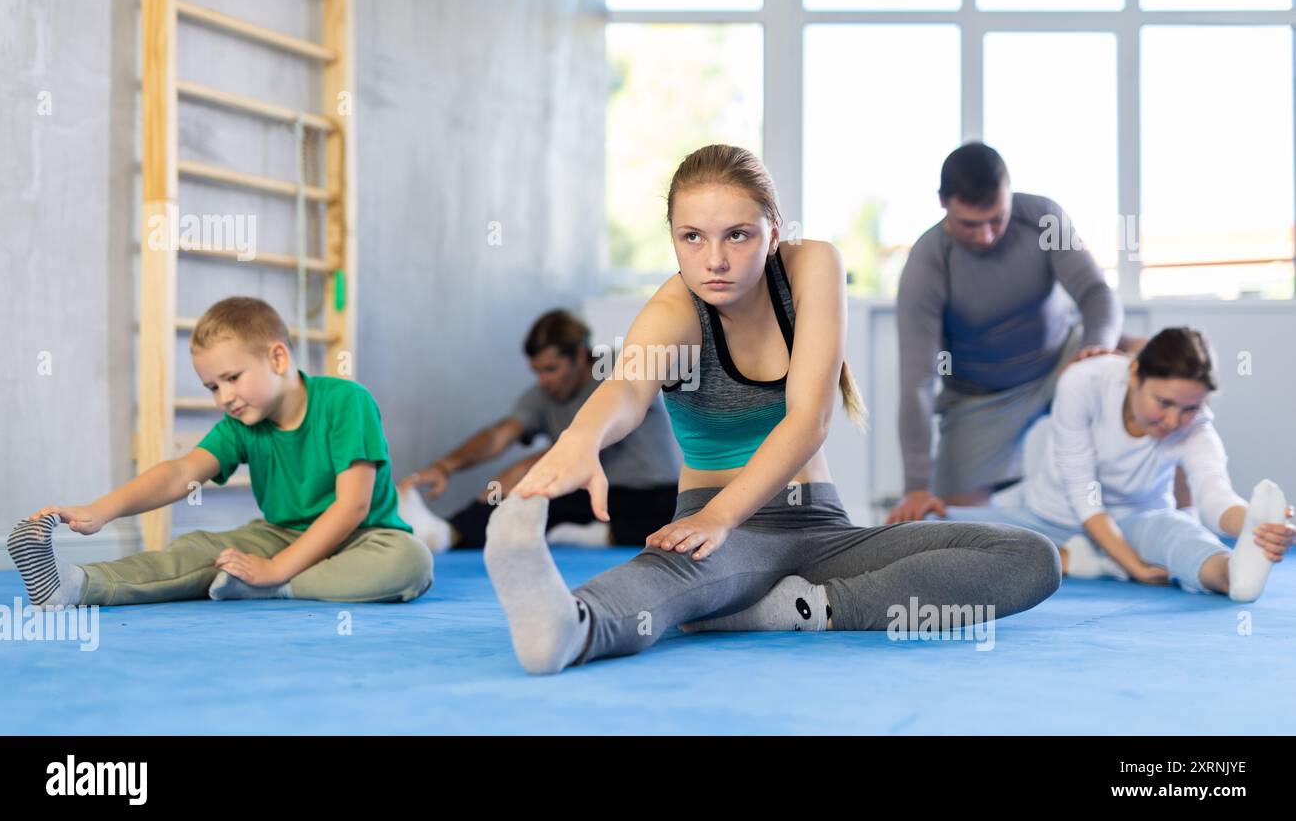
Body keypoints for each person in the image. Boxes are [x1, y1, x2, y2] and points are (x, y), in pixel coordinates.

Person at [481, 144, 1061, 675]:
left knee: (1027, 555)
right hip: (724, 527)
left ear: (774, 231)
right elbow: (627, 390)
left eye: (737, 235)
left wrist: (722, 518)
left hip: (821, 528)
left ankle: (798, 609)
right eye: (692, 238)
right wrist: (582, 439)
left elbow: (808, 421)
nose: (715, 260)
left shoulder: (813, 267)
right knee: (669, 580)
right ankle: (572, 626)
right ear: (674, 240)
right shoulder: (675, 310)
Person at [5, 297, 433, 606]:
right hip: (281, 533)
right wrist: (101, 511)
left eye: (232, 377)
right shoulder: (240, 424)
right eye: (212, 387)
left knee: (411, 562)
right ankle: (77, 585)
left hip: (363, 539)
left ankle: (270, 587)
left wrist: (277, 570)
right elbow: (179, 473)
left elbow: (353, 506)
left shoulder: (346, 401)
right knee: (197, 550)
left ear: (278, 358)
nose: (224, 397)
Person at [942, 327, 1294, 601]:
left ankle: (1233, 576)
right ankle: (1080, 559)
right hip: (1051, 518)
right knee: (940, 529)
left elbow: (1215, 495)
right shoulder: (1084, 381)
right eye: (1164, 403)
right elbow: (1084, 495)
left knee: (1185, 539)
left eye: (1190, 408)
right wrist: (1133, 567)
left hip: (1139, 521)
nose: (1174, 421)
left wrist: (1255, 525)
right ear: (1134, 373)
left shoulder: (1197, 428)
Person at [889, 142, 1124, 523]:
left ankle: (1178, 518)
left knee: (1149, 363)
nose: (985, 235)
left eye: (996, 219)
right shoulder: (927, 262)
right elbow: (917, 382)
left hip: (1061, 360)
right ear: (943, 203)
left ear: (1009, 194)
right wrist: (916, 486)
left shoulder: (1042, 217)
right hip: (979, 396)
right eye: (970, 224)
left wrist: (1097, 349)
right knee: (957, 518)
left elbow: (1097, 294)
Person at [397, 310, 679, 549]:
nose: (543, 380)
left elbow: (598, 434)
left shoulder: (616, 367)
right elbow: (499, 436)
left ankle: (600, 533)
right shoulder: (544, 395)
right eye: (537, 372)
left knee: (674, 518)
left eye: (551, 369)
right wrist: (445, 466)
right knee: (527, 503)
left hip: (650, 495)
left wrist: (524, 470)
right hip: (585, 498)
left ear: (580, 356)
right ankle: (442, 533)